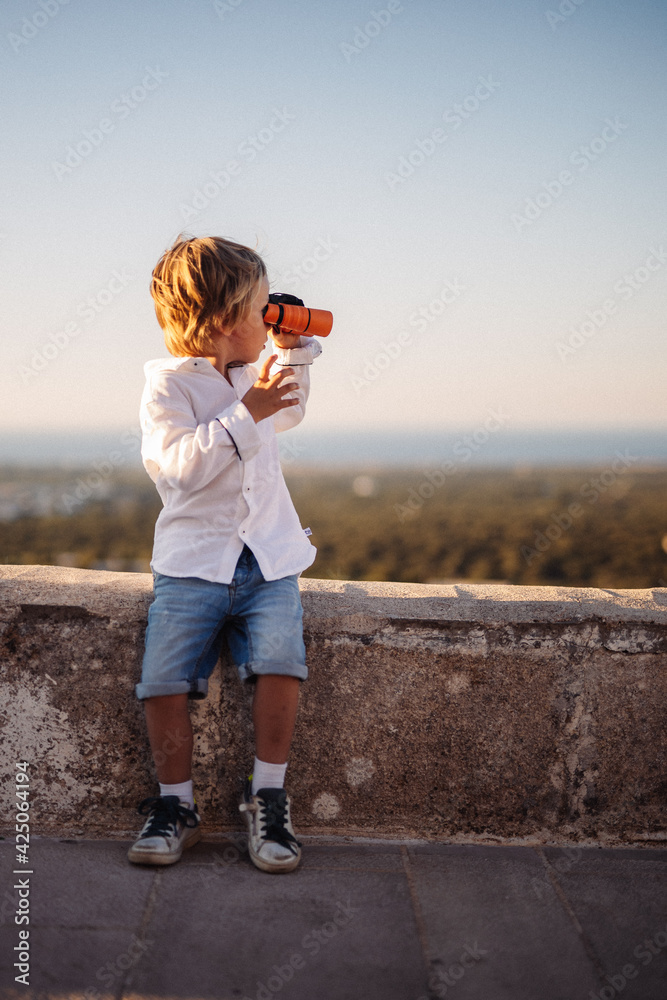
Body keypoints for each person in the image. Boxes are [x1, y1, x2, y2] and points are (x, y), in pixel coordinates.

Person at [127, 235, 321, 874]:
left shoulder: (251, 374)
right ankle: (175, 803)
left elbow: (285, 413)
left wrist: (292, 356)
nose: (269, 319)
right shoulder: (167, 388)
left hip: (266, 558)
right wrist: (246, 411)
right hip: (193, 564)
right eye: (260, 310)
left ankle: (267, 793)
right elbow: (179, 470)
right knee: (164, 679)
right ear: (220, 322)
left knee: (281, 665)